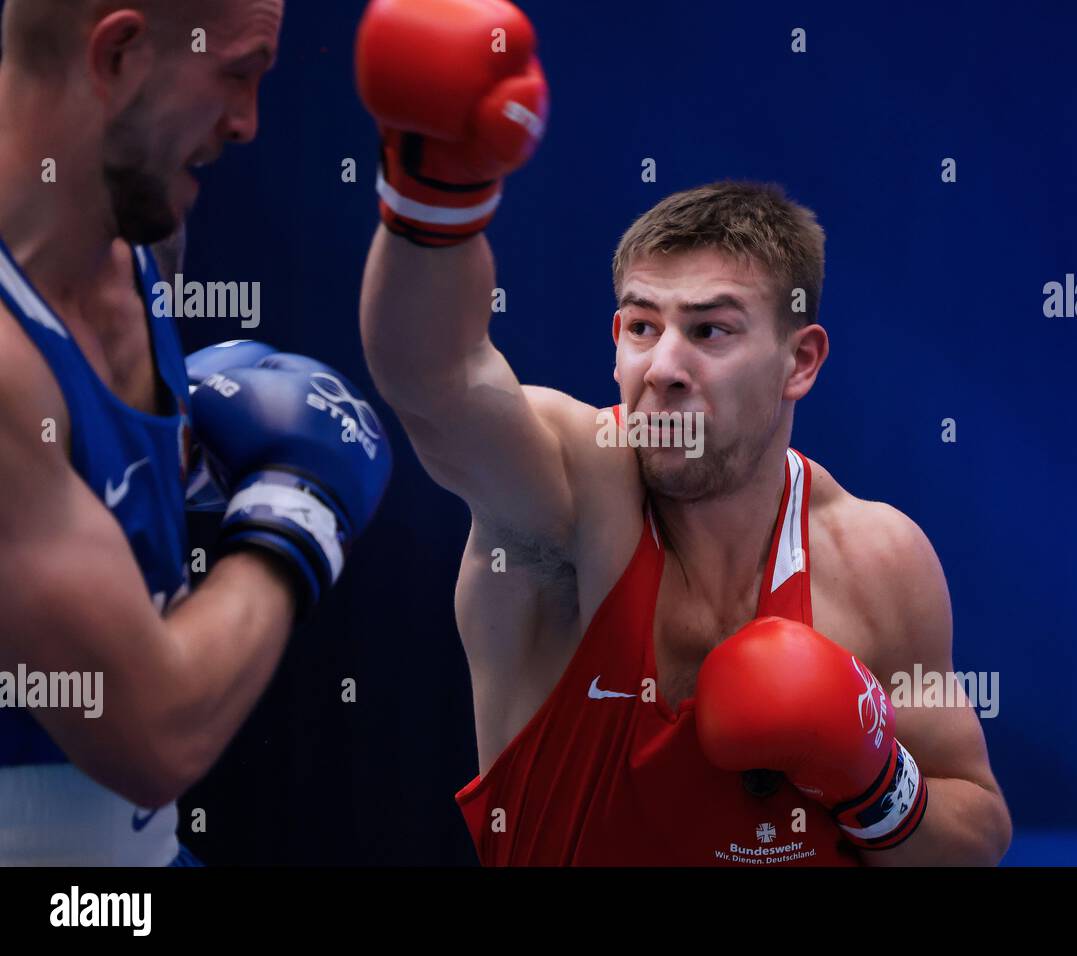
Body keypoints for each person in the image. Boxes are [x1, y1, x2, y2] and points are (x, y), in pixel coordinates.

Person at [356, 0, 1011, 865]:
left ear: (800, 362)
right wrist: (435, 189)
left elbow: (976, 837)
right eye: (639, 327)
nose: (662, 365)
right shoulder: (572, 487)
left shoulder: (878, 561)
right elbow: (434, 378)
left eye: (710, 330)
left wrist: (873, 779)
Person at [0, 0, 390, 865]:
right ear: (120, 54)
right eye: (238, 74)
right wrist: (302, 505)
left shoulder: (142, 238)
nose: (248, 124)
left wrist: (187, 464)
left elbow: (85, 495)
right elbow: (153, 736)